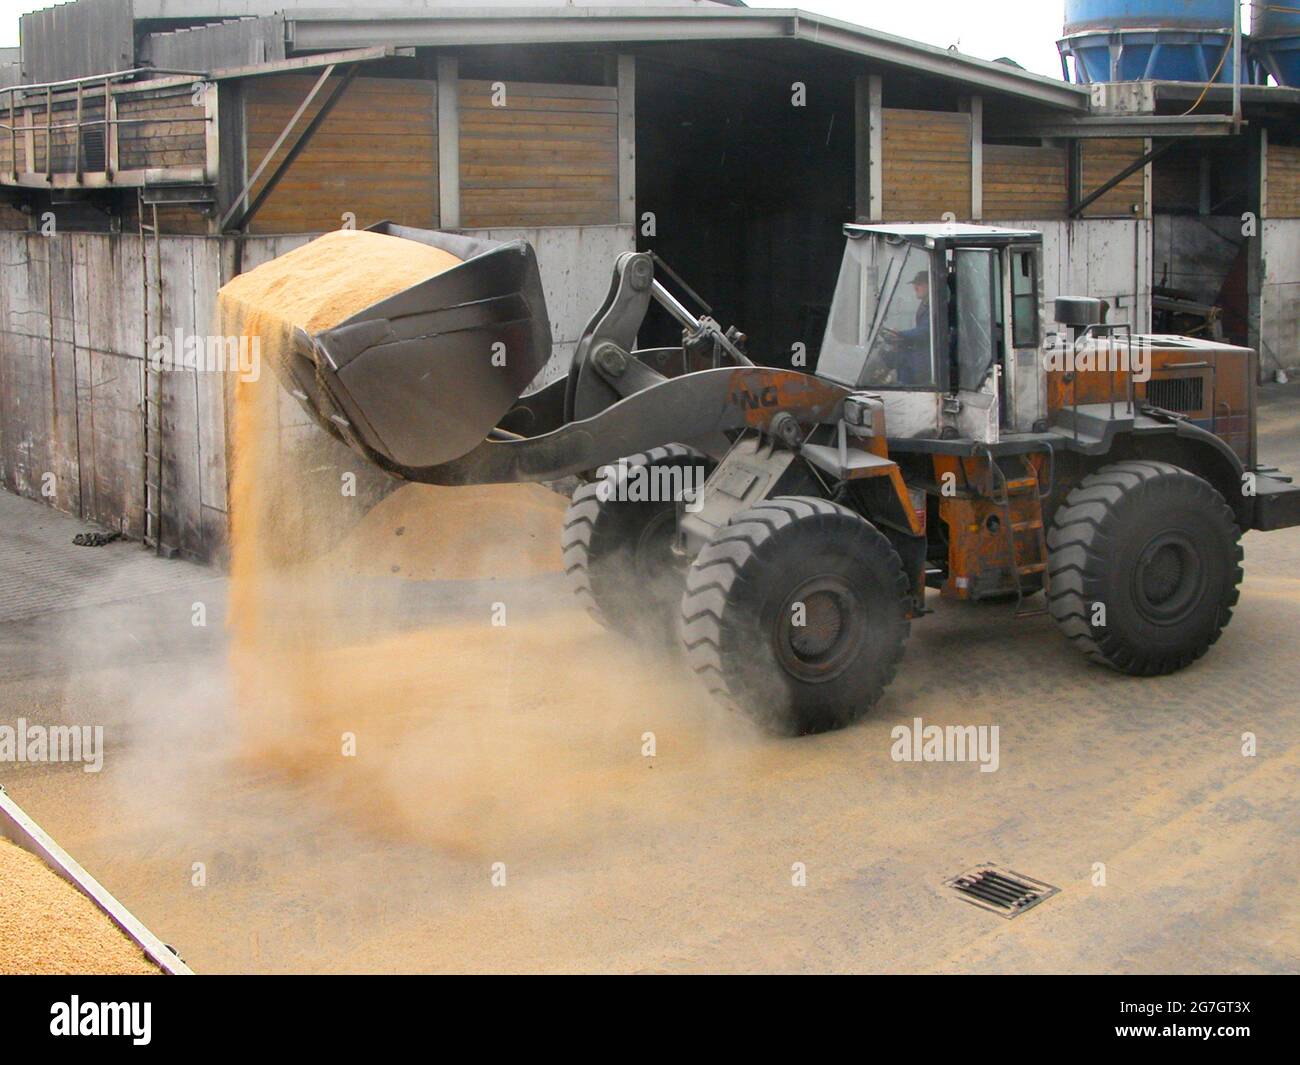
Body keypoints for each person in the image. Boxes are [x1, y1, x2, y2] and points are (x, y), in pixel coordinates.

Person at [886, 269, 932, 386]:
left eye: (919, 284)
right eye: (915, 284)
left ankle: (905, 387)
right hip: (921, 352)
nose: (915, 287)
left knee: (903, 360)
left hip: (929, 358)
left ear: (930, 285)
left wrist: (901, 334)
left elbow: (925, 331)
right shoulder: (925, 304)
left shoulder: (935, 306)